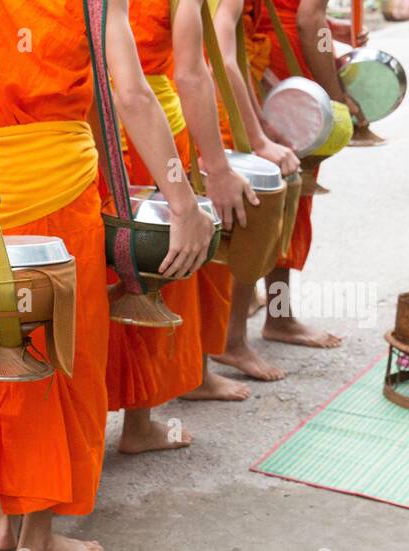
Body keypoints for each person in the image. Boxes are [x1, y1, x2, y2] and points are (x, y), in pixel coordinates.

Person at [0, 0, 213, 551]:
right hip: (59, 200)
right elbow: (129, 94)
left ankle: (4, 511)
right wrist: (181, 202)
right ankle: (38, 536)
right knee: (58, 357)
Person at [110, 0, 256, 451]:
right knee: (155, 269)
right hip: (152, 133)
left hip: (92, 135)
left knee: (111, 271)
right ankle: (140, 421)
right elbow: (191, 75)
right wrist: (216, 167)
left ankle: (172, 388)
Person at [207, 0, 307, 384]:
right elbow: (224, 60)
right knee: (248, 221)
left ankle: (230, 336)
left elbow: (237, 58)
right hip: (215, 113)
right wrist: (257, 138)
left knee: (234, 228)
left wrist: (261, 123)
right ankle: (230, 341)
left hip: (218, 106)